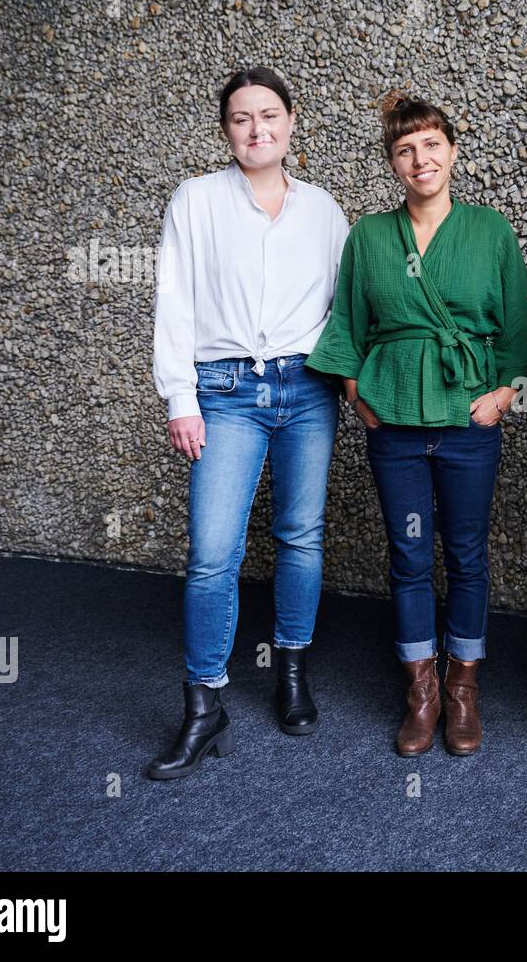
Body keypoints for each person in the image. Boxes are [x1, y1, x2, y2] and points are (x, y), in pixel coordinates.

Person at [307, 89, 527, 757]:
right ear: (392, 164)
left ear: (453, 151)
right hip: (396, 424)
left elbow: (518, 330)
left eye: (431, 143)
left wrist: (502, 396)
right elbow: (347, 323)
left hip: (468, 420)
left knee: (465, 553)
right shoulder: (370, 236)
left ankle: (464, 687)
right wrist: (358, 397)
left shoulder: (488, 230)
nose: (420, 158)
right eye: (405, 149)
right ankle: (422, 689)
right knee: (408, 555)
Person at [147, 67, 349, 780]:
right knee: (212, 552)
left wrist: (349, 381)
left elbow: (341, 309)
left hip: (306, 389)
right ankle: (205, 702)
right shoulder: (196, 201)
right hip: (225, 389)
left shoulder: (325, 211)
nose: (257, 129)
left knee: (300, 535)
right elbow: (173, 301)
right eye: (241, 118)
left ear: (293, 122)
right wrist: (181, 397)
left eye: (269, 115)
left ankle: (291, 670)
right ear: (225, 129)